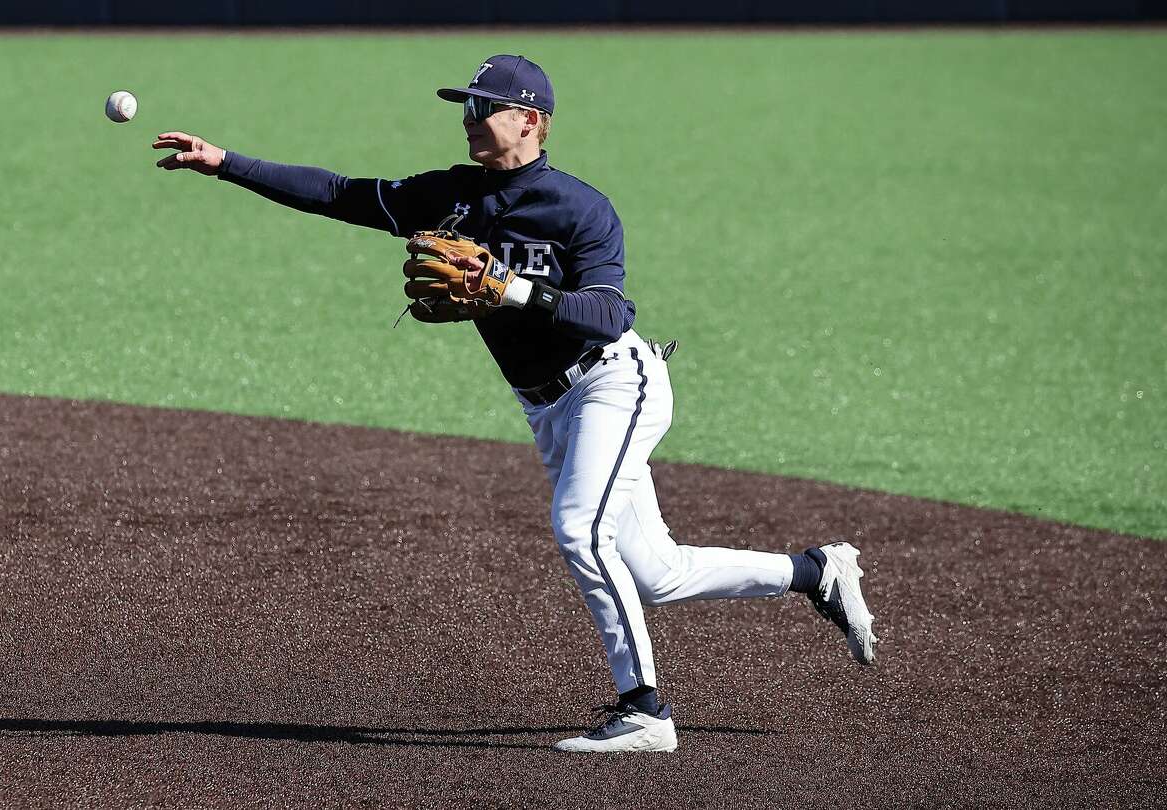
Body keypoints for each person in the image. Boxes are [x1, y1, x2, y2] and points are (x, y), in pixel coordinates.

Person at [152, 54, 877, 754]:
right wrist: (227, 163)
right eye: (465, 106)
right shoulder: (449, 196)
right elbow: (340, 193)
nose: (469, 117)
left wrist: (512, 289)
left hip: (614, 383)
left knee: (578, 532)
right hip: (549, 409)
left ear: (531, 120)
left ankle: (644, 711)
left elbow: (608, 314)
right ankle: (815, 571)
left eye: (483, 107)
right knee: (654, 573)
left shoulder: (579, 207)